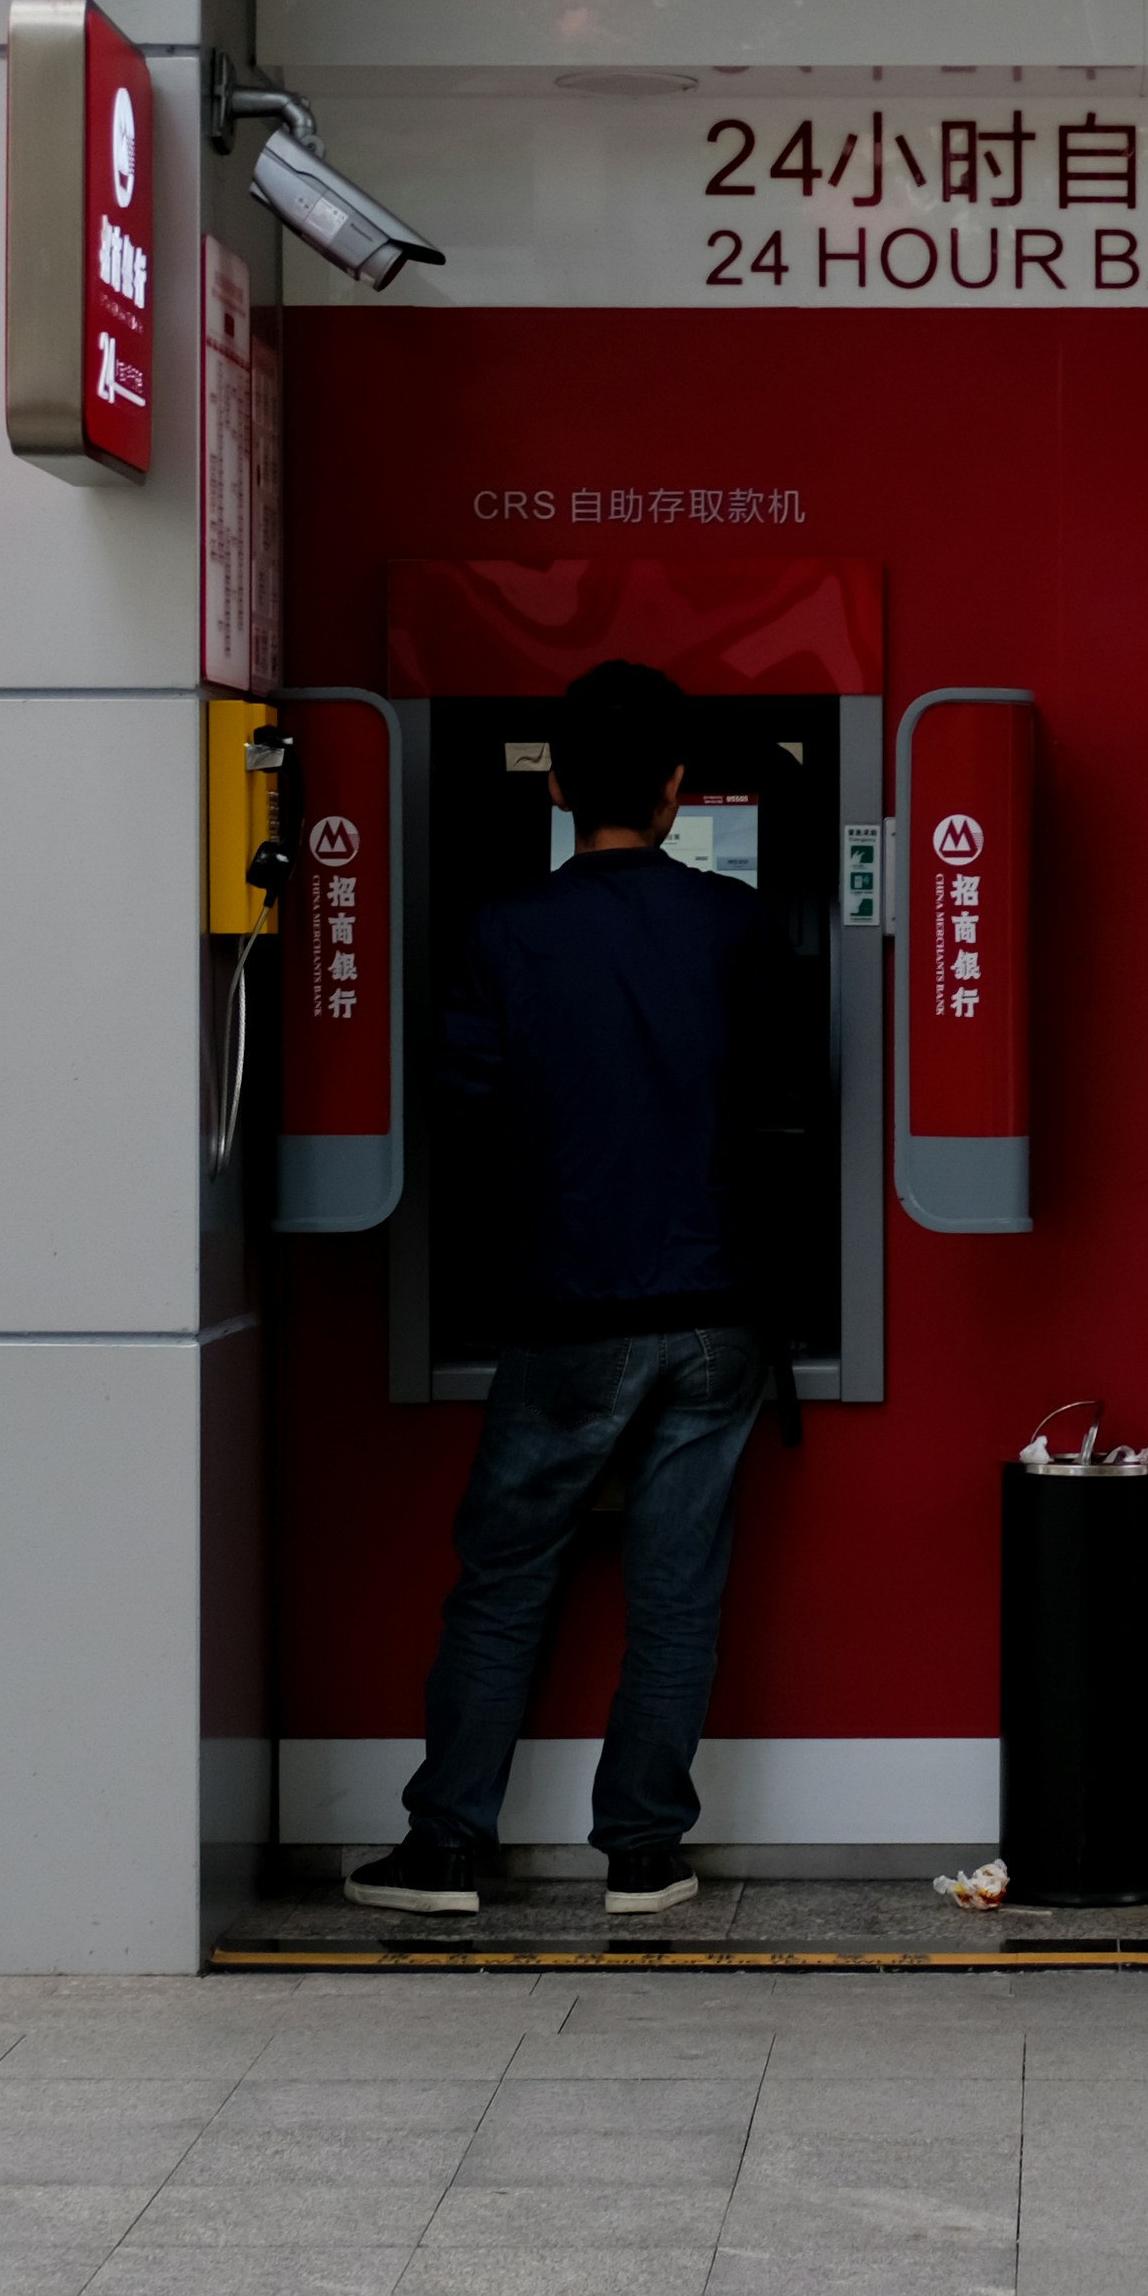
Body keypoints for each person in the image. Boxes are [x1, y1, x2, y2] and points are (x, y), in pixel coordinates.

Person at [348, 657, 785, 1922]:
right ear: (674, 788)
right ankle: (642, 1853)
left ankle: (444, 1849)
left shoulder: (504, 930)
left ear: (550, 782)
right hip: (713, 1311)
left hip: (562, 1307)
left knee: (504, 1577)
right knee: (676, 1588)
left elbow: (465, 1117)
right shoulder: (737, 925)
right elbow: (784, 1103)